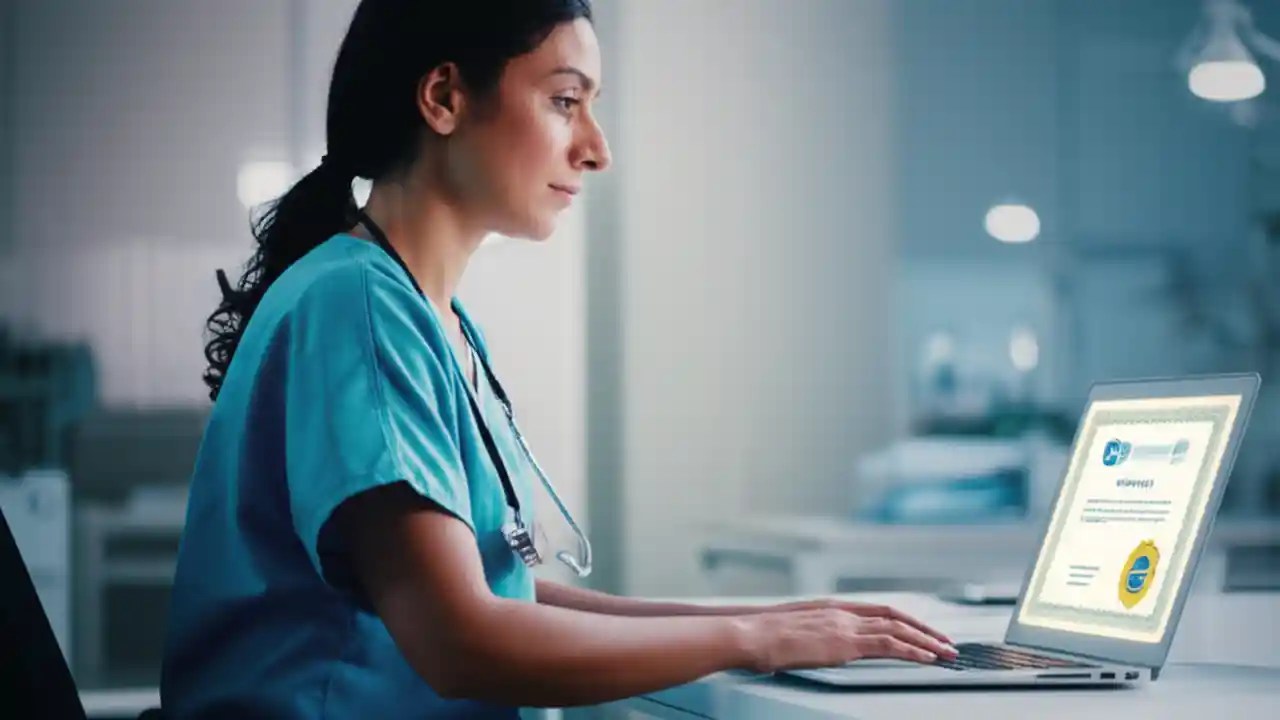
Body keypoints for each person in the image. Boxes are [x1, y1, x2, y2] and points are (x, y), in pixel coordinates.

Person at [160, 0, 958, 716]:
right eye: (564, 101)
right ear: (443, 97)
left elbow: (496, 593)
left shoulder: (427, 313)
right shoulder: (359, 306)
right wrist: (752, 639)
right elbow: (461, 640)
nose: (597, 149)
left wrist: (767, 622)